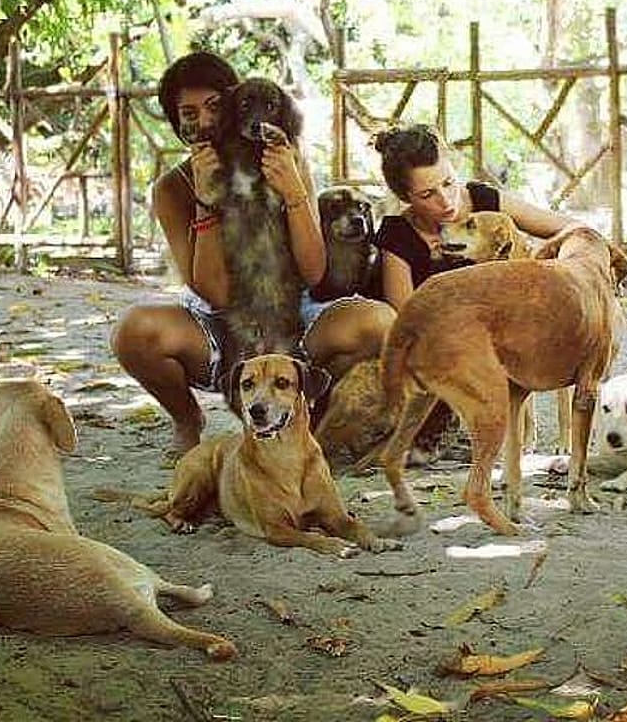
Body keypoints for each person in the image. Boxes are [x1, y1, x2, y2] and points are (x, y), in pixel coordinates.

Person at [110, 52, 333, 455]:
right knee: (133, 330)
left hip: (293, 309)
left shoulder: (284, 159)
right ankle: (187, 418)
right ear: (175, 123)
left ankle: (322, 426)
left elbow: (315, 272)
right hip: (222, 322)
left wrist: (294, 191)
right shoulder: (171, 187)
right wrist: (206, 200)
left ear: (233, 103)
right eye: (187, 112)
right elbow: (214, 292)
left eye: (214, 106)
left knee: (374, 323)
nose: (205, 121)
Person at [369, 123, 574, 308]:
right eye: (427, 194)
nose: (447, 202)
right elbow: (407, 321)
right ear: (404, 197)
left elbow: (572, 229)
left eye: (449, 183)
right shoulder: (398, 236)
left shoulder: (482, 200)